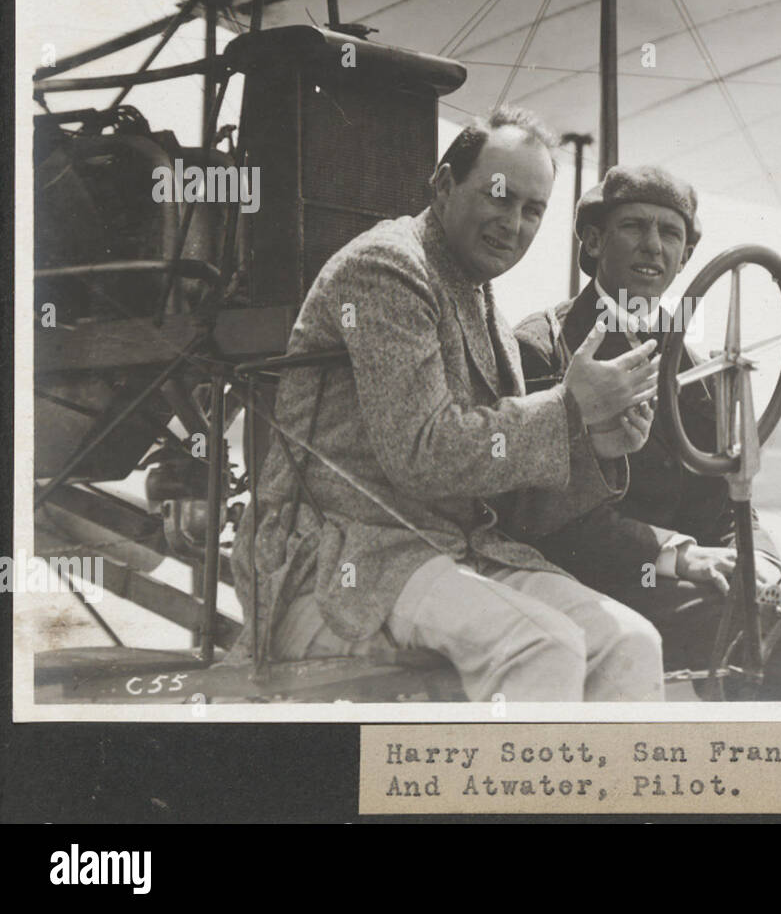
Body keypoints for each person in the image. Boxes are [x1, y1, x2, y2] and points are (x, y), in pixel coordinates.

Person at [226, 109, 666, 702]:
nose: (513, 223)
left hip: (453, 552)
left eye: (533, 210)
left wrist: (595, 447)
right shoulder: (385, 268)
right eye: (499, 197)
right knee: (542, 644)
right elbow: (421, 451)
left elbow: (504, 489)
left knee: (632, 642)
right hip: (344, 551)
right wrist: (568, 411)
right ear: (442, 186)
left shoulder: (483, 304)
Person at [515, 165, 781, 701]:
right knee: (749, 631)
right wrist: (679, 555)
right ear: (593, 241)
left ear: (685, 258)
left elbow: (723, 502)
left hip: (680, 577)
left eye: (670, 234)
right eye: (633, 227)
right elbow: (546, 513)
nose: (652, 246)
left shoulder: (694, 363)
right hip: (590, 577)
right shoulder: (544, 347)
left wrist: (766, 566)